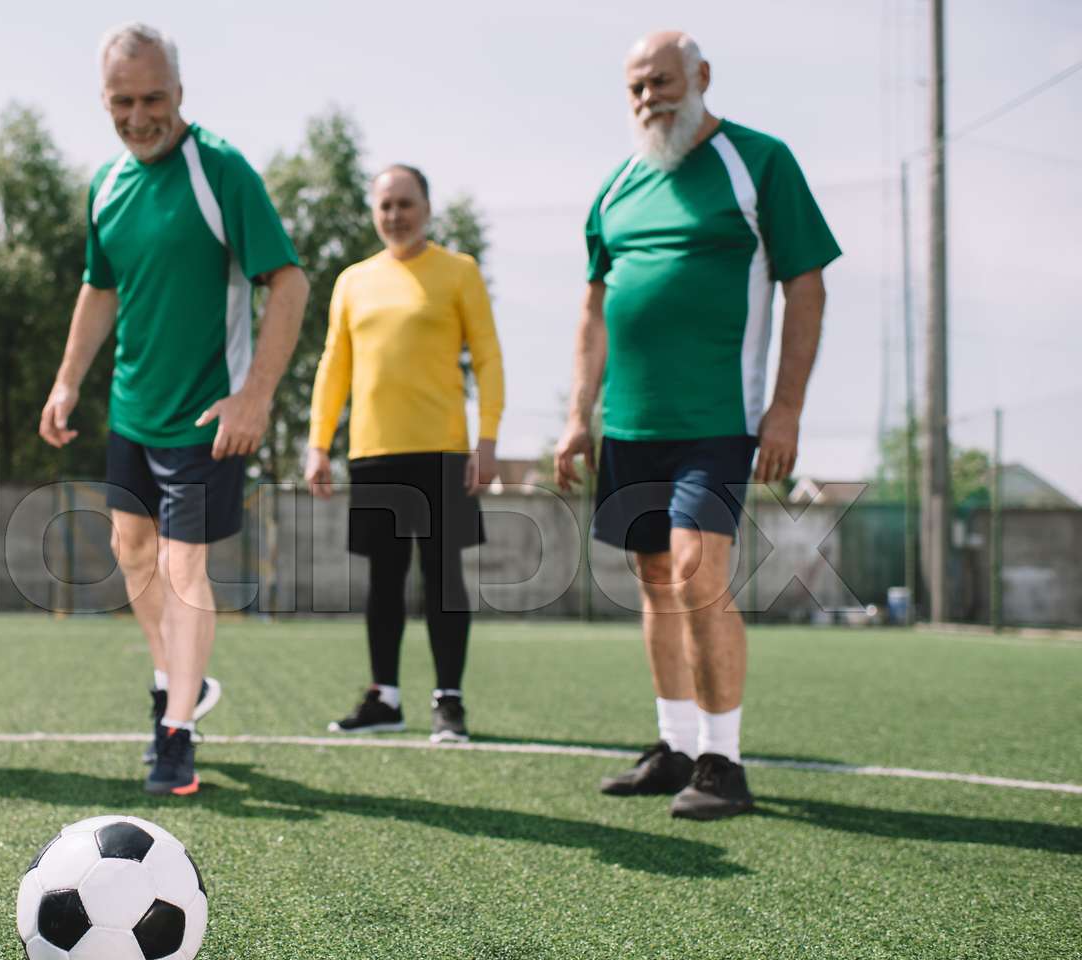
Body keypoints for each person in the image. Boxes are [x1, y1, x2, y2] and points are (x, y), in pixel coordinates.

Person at [554, 32, 840, 819]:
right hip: (632, 425)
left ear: (702, 78)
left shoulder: (760, 163)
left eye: (664, 82)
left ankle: (724, 762)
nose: (651, 99)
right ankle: (675, 743)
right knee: (652, 580)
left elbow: (805, 287)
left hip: (720, 418)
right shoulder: (617, 186)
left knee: (695, 572)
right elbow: (592, 308)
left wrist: (786, 409)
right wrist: (580, 415)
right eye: (638, 88)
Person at [39, 23, 307, 796]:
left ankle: (176, 734)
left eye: (154, 97)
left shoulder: (220, 171)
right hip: (132, 412)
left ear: (180, 93)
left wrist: (254, 395)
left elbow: (287, 283)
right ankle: (175, 682)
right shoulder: (107, 186)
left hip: (205, 418)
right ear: (104, 101)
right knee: (133, 557)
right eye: (123, 101)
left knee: (186, 568)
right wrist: (66, 382)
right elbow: (100, 288)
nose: (139, 115)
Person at [305, 165, 505, 744]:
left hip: (443, 451)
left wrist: (487, 438)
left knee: (443, 578)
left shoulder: (458, 272)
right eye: (385, 205)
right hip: (372, 453)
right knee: (384, 581)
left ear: (427, 207)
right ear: (375, 211)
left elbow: (488, 357)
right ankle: (385, 698)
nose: (395, 214)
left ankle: (449, 700)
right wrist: (319, 444)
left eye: (406, 203)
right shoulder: (353, 281)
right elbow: (333, 365)